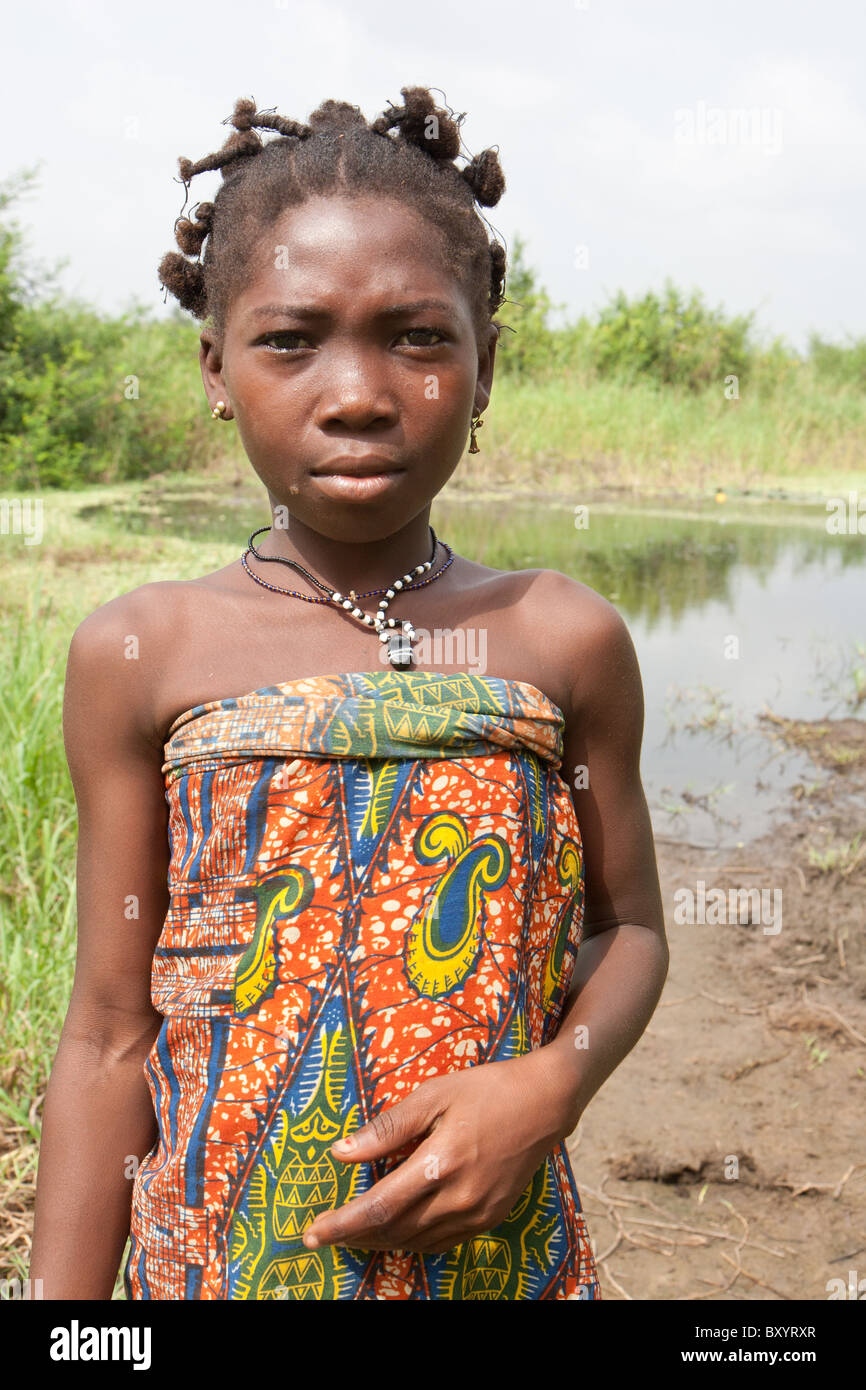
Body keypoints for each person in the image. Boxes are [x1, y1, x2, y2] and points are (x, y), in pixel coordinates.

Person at [29, 87, 668, 1301]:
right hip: (214, 1273)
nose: (359, 391)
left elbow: (626, 930)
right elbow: (110, 1035)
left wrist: (549, 1087)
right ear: (215, 368)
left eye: (418, 337)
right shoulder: (141, 649)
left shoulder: (558, 635)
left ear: (486, 368)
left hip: (500, 1271)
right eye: (291, 338)